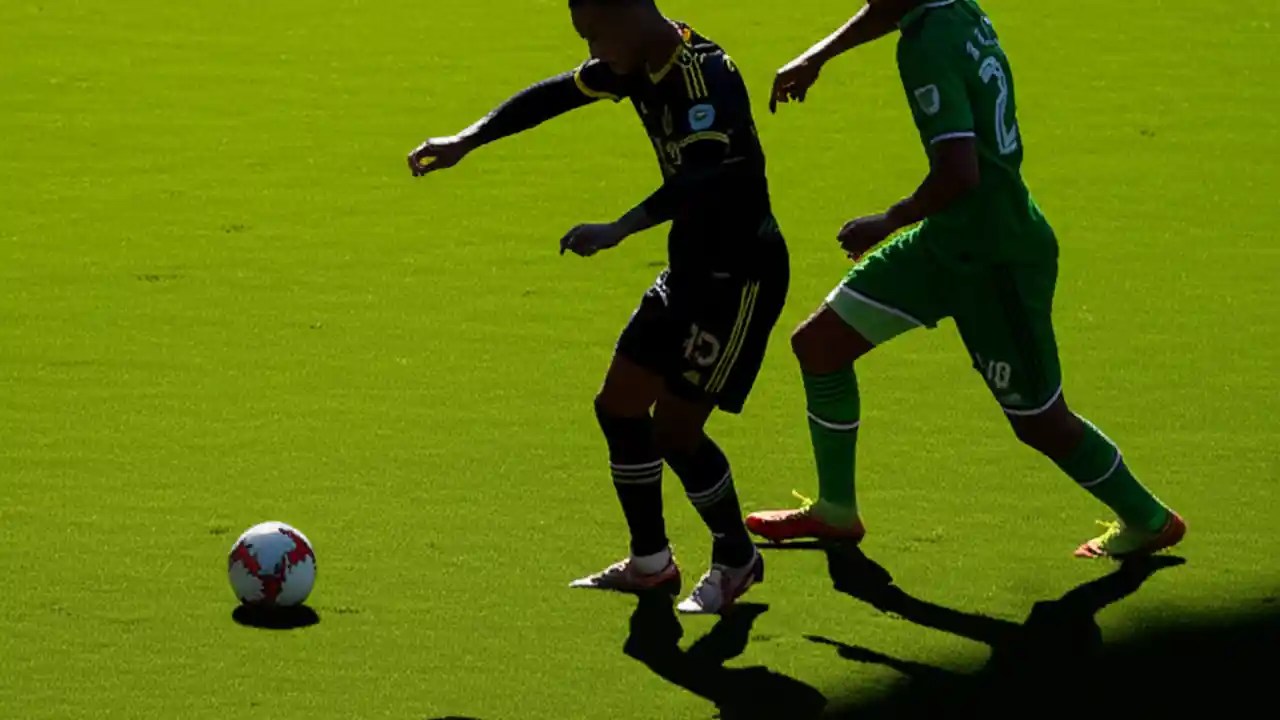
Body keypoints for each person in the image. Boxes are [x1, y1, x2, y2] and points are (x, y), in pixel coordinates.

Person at [744, 0, 1185, 560]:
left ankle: (1149, 518)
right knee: (820, 346)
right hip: (945, 244)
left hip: (995, 259)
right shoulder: (954, 10)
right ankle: (836, 510)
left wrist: (887, 220)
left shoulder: (928, 46)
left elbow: (960, 173)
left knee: (1041, 422)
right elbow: (892, 7)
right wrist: (819, 56)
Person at [407, 0, 789, 612]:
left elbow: (703, 176)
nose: (591, 53)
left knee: (676, 430)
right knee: (618, 406)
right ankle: (650, 564)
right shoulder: (634, 59)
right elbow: (556, 95)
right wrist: (469, 139)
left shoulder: (703, 75)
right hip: (690, 267)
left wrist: (619, 227)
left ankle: (738, 558)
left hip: (738, 278)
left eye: (594, 34)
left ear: (631, 10)